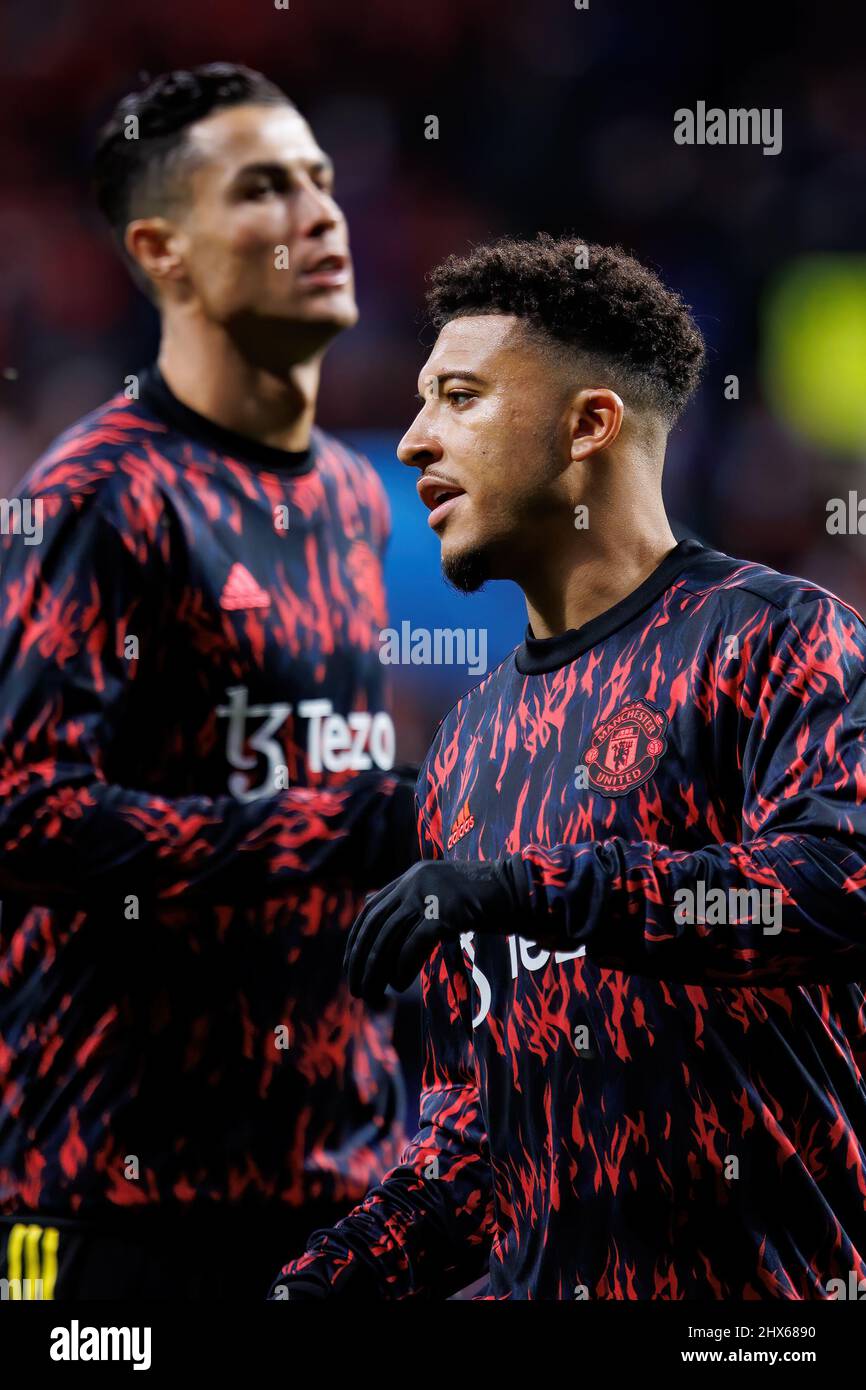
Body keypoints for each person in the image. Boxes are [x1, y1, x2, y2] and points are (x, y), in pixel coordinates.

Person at [271, 234, 866, 1301]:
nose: (411, 441)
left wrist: (538, 886)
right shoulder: (464, 751)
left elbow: (833, 887)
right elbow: (472, 1148)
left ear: (590, 423)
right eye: (418, 401)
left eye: (458, 397)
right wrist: (321, 1283)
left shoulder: (773, 641)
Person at [0, 63, 417, 1300]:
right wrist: (336, 829)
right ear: (163, 252)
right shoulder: (98, 494)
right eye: (263, 188)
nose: (318, 213)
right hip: (116, 1200)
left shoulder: (350, 490)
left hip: (339, 1183)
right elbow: (27, 813)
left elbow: (310, 766)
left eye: (321, 181)